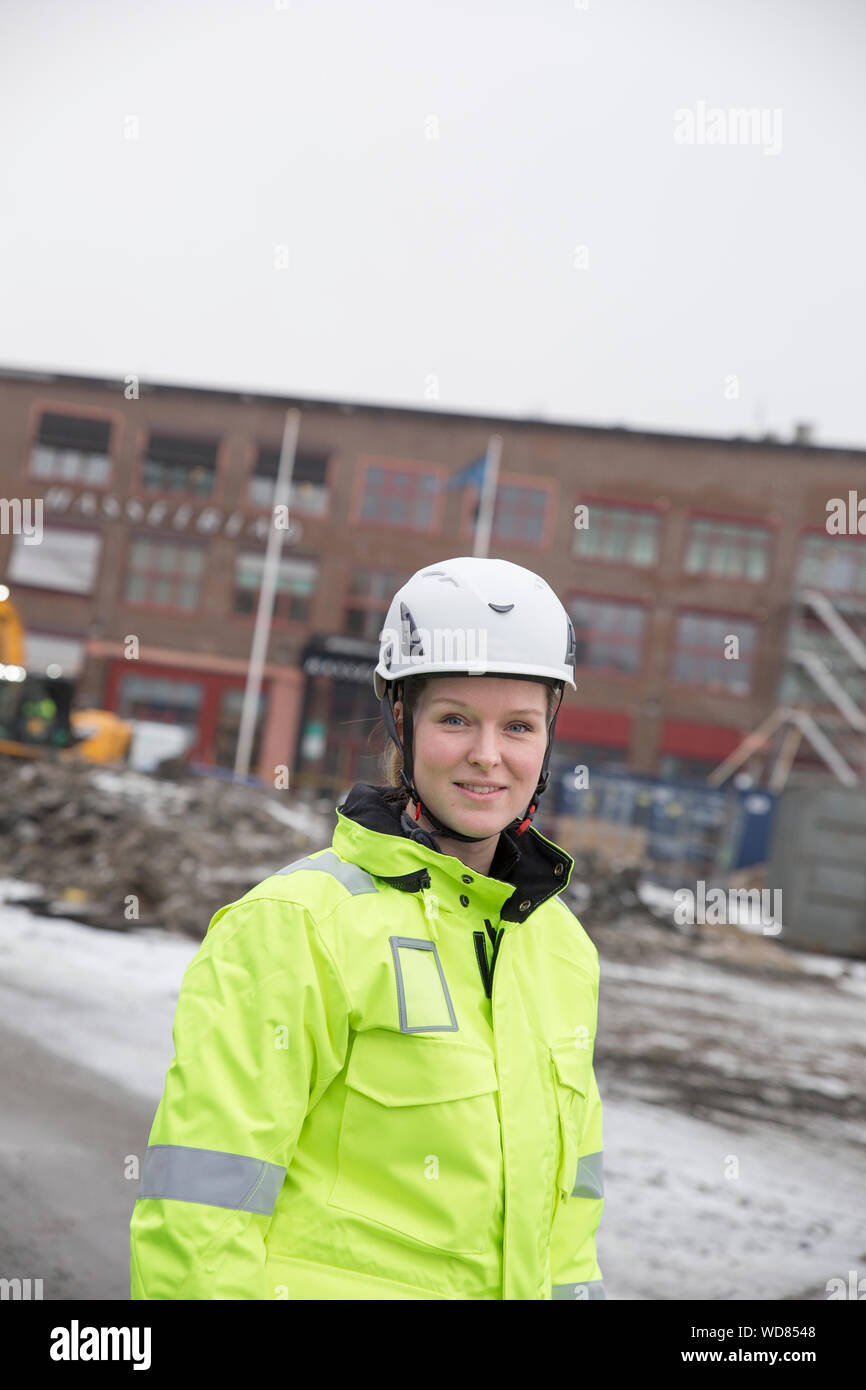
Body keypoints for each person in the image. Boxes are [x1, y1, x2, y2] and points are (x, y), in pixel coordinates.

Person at [129, 555, 605, 1300]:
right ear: (401, 722)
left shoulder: (562, 950)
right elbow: (201, 1210)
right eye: (455, 719)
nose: (489, 755)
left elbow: (570, 1232)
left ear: (549, 738)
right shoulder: (296, 926)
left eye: (519, 725)